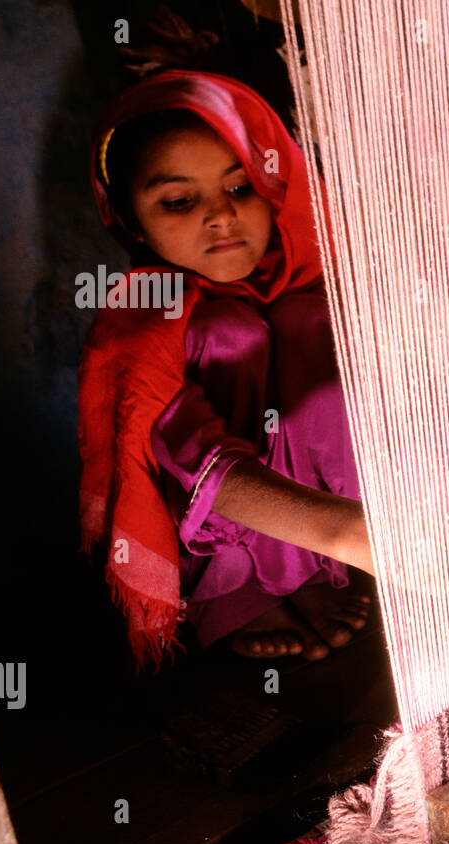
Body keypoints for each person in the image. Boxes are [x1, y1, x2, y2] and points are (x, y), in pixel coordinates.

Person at [78, 69, 374, 665]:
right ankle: (238, 587)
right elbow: (186, 451)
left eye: (241, 189)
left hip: (338, 515)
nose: (220, 216)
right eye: (179, 201)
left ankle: (311, 570)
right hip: (228, 523)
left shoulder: (326, 276)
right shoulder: (142, 325)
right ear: (132, 222)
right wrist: (346, 533)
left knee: (309, 321)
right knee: (228, 333)